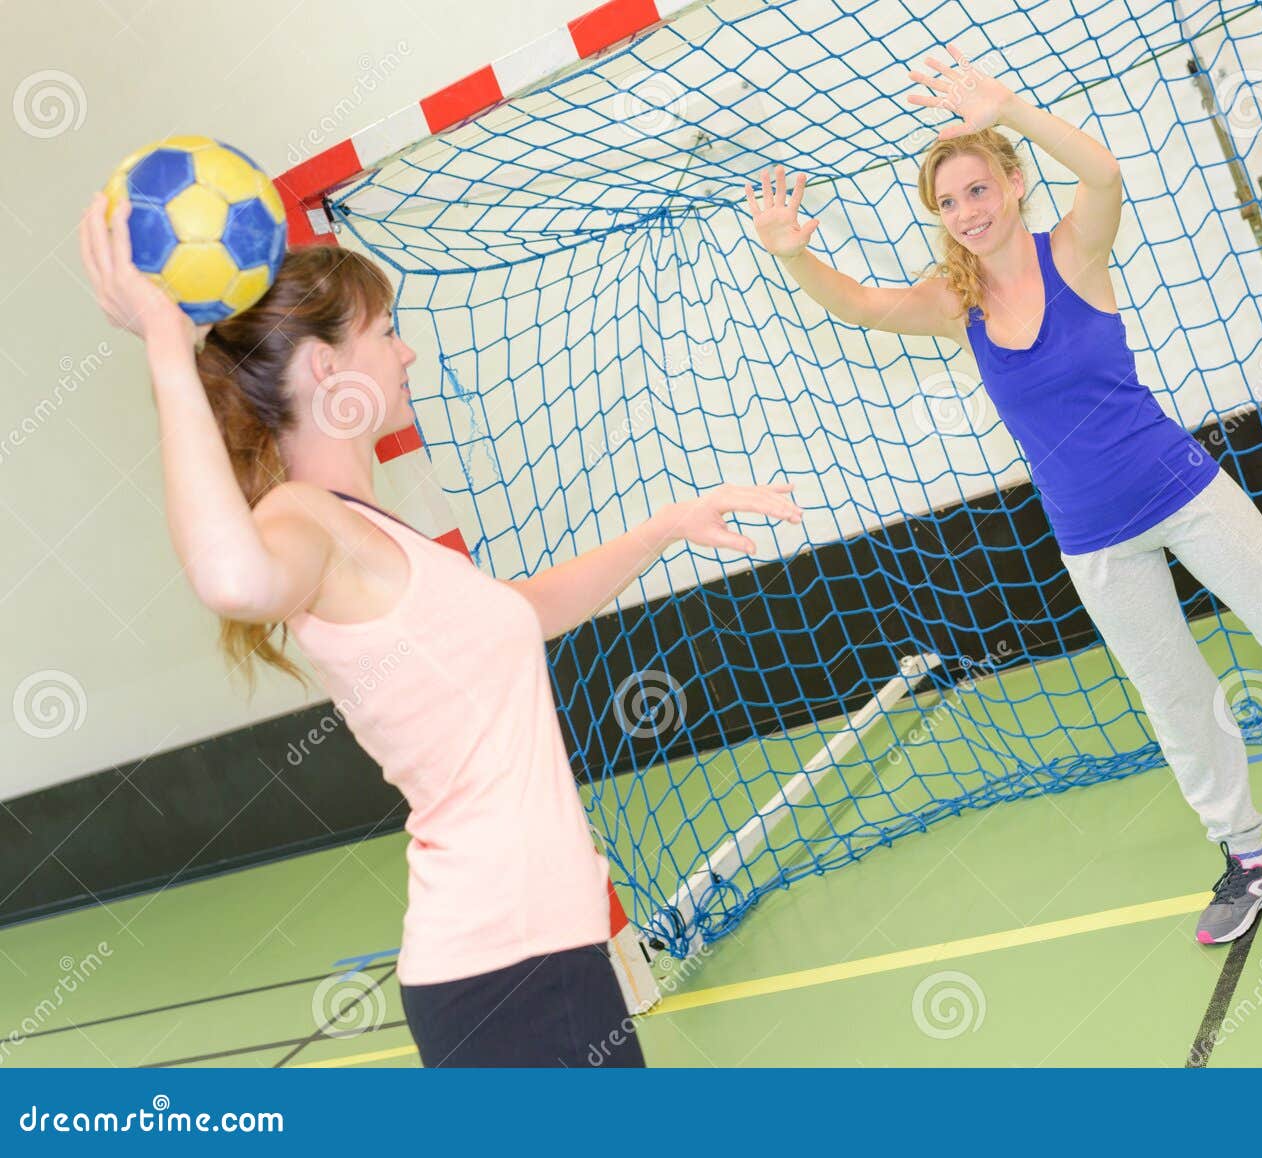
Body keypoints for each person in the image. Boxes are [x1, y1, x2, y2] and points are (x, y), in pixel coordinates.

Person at [741, 45, 1262, 945]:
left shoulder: (1073, 250)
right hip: (1094, 540)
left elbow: (1103, 171)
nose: (967, 212)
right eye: (947, 204)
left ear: (1012, 182)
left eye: (977, 190)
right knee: (1177, 701)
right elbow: (864, 306)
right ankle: (1248, 857)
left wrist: (1011, 107)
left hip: (1183, 492)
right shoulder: (957, 302)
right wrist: (795, 257)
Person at [79, 192, 803, 1064]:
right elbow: (233, 577)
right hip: (508, 972)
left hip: (537, 956)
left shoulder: (372, 529)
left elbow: (520, 613)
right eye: (385, 332)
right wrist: (165, 345)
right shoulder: (304, 519)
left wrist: (661, 528)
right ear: (322, 370)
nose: (406, 351)